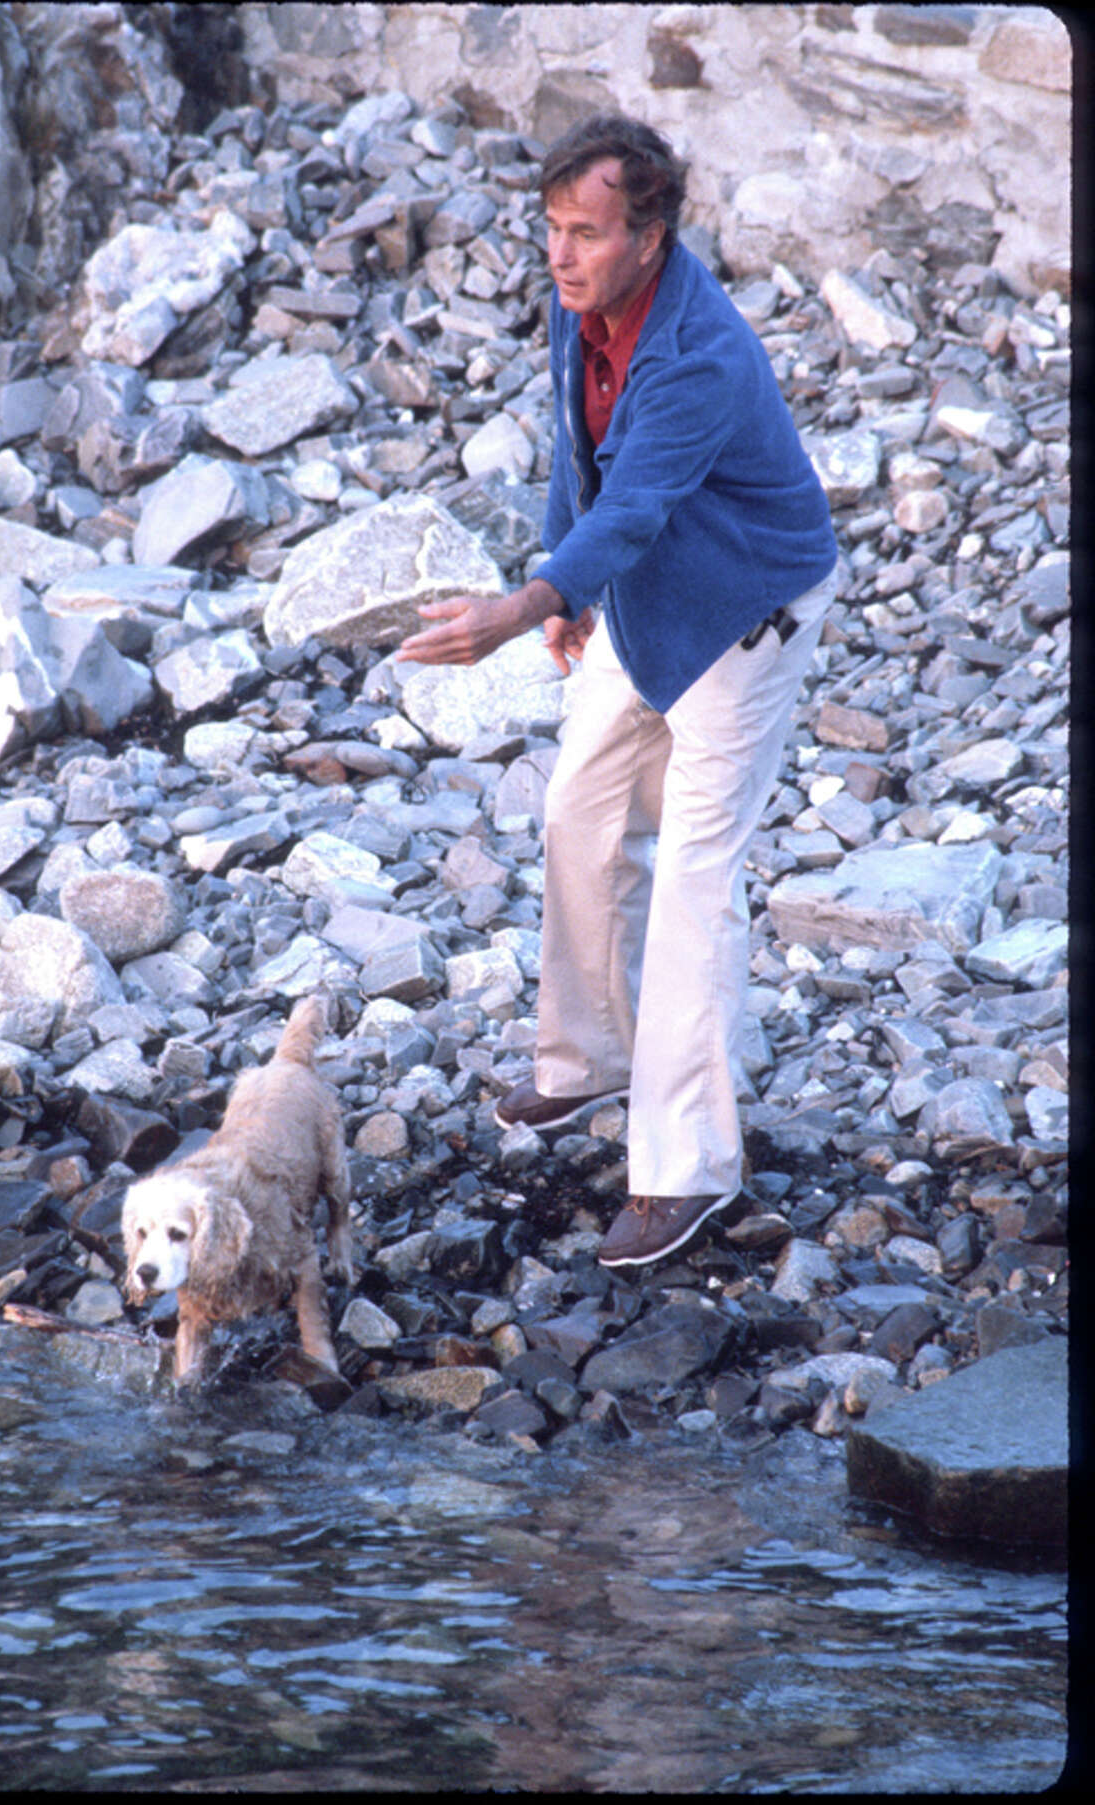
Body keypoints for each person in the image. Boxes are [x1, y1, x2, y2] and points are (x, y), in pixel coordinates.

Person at [396, 114, 839, 1270]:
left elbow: (637, 504)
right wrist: (569, 585)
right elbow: (576, 460)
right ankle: (589, 1064)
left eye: (585, 232)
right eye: (552, 228)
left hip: (747, 613)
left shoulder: (696, 355)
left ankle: (685, 1170)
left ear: (653, 235)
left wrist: (522, 606)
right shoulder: (580, 301)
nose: (561, 253)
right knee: (579, 819)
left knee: (696, 879)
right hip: (643, 598)